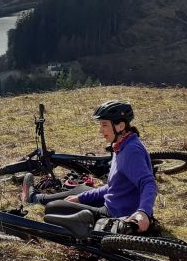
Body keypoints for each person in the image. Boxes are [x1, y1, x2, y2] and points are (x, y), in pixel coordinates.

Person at [34, 100, 157, 233]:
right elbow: (114, 187)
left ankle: (40, 201)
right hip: (114, 202)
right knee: (80, 190)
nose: (100, 130)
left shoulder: (131, 150)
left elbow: (148, 183)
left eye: (104, 125)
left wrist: (143, 212)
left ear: (120, 126)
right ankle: (36, 198)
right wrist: (81, 198)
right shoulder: (122, 144)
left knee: (53, 208)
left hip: (117, 215)